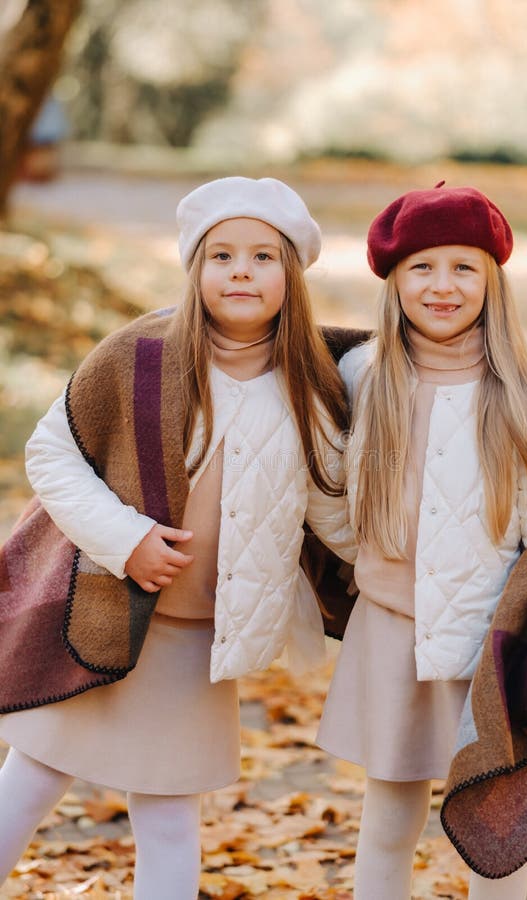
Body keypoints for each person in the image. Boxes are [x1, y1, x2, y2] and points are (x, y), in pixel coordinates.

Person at [0, 176, 358, 899]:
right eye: (221, 255)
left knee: (167, 816)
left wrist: (385, 566)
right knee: (32, 777)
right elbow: (52, 453)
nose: (241, 272)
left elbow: (330, 504)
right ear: (195, 268)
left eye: (263, 256)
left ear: (292, 273)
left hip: (196, 639)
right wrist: (126, 538)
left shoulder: (310, 385)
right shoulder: (142, 354)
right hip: (104, 611)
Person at [316, 182, 527, 899]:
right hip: (391, 634)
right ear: (394, 280)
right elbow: (327, 493)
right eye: (422, 267)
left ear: (492, 281)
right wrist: (371, 560)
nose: (443, 286)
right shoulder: (360, 377)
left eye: (464, 267)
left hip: (489, 641)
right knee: (387, 821)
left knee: (495, 833)